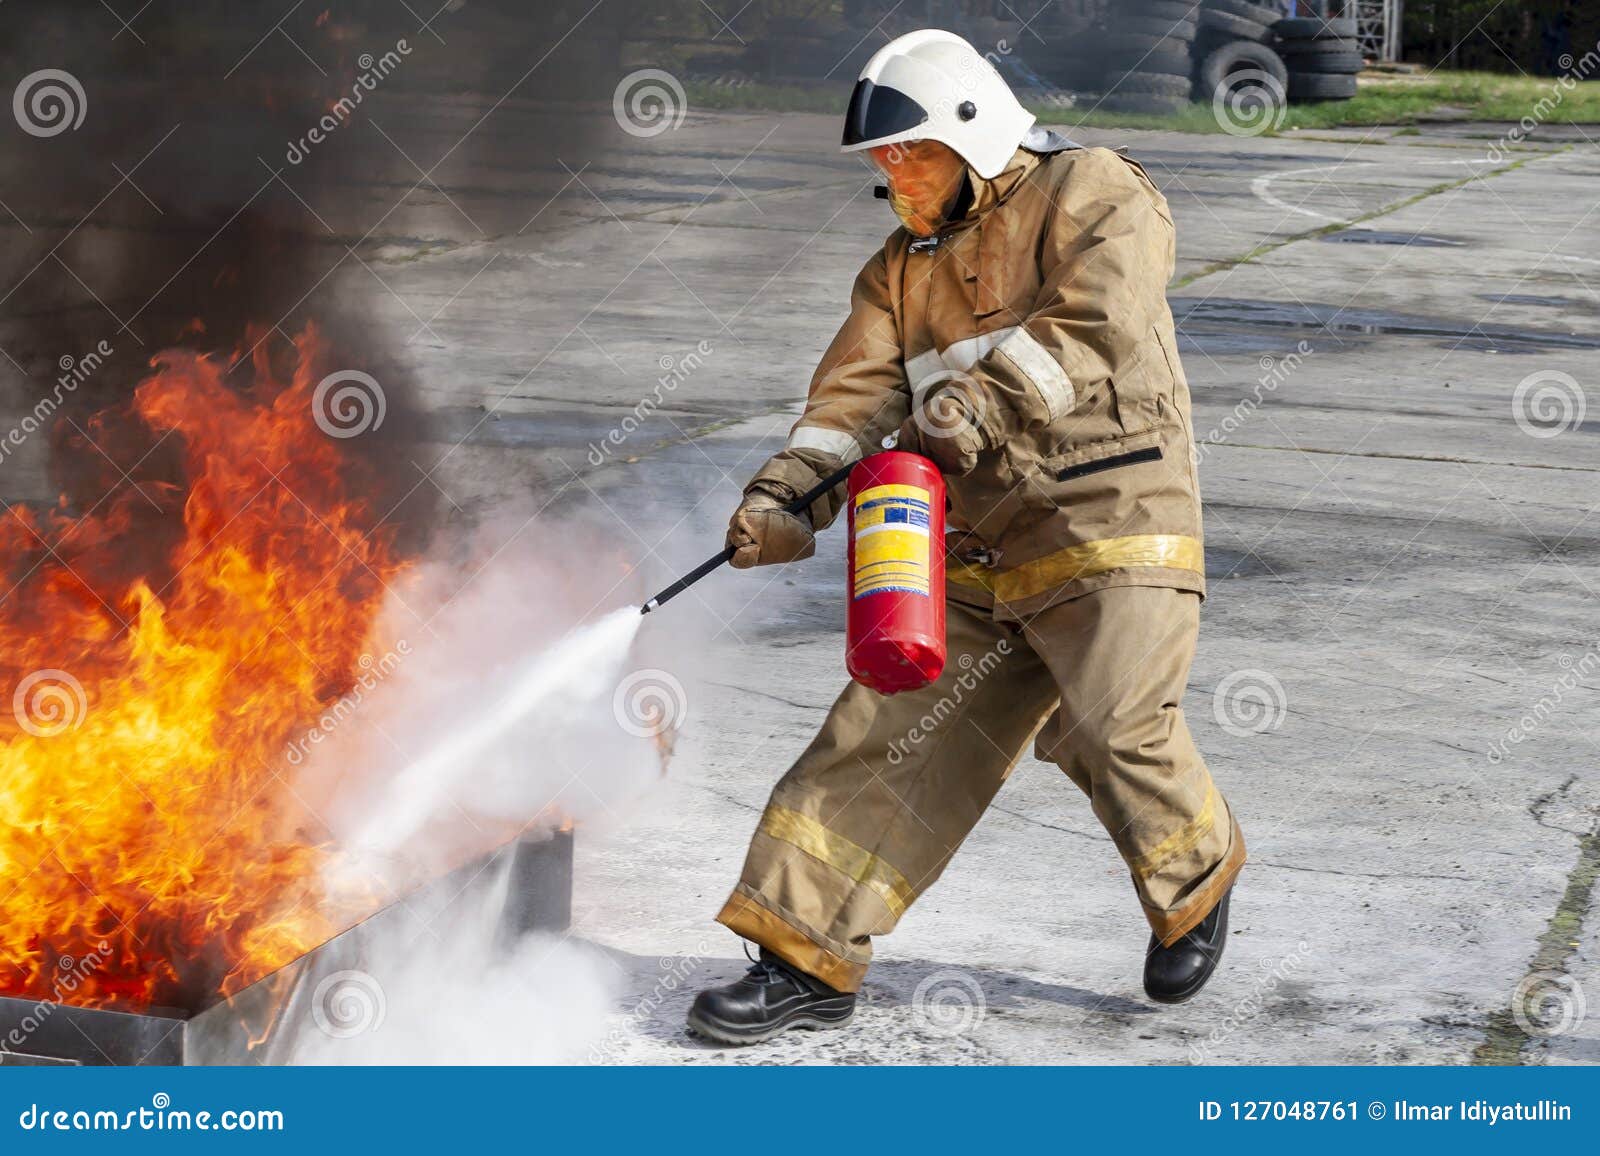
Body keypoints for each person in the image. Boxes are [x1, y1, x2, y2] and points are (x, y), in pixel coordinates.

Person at [688, 29, 1245, 1045]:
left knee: (1110, 724)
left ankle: (1196, 878)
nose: (892, 175)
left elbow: (1098, 320)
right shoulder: (897, 273)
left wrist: (972, 409)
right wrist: (781, 498)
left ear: (976, 133)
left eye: (912, 154)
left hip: (1110, 519)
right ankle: (802, 955)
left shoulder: (1093, 189)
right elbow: (847, 407)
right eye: (883, 162)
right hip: (977, 549)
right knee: (873, 738)